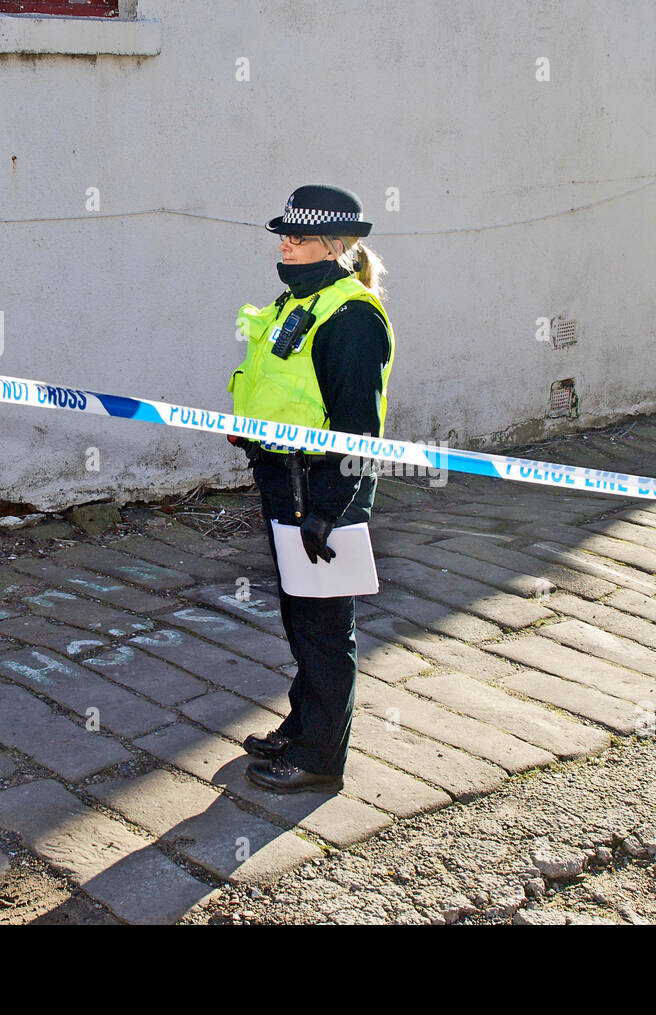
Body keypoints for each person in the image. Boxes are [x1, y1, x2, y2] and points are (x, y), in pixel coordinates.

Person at [226, 184, 395, 793]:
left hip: (321, 492)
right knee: (301, 617)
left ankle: (321, 757)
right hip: (285, 482)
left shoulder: (351, 318)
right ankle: (305, 725)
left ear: (338, 246)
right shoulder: (298, 301)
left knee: (324, 627)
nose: (285, 245)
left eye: (299, 238)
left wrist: (327, 511)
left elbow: (358, 429)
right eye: (283, 235)